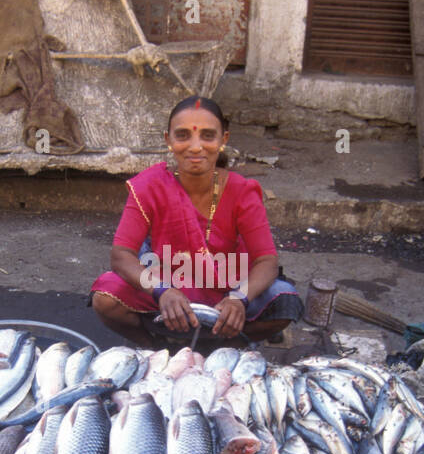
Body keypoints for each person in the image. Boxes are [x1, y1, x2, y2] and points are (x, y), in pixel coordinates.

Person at [90, 95, 303, 347]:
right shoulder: (149, 187)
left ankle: (223, 347)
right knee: (106, 297)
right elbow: (122, 255)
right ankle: (158, 347)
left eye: (207, 136)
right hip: (167, 276)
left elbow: (266, 260)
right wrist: (161, 290)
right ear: (168, 140)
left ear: (223, 140)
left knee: (284, 301)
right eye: (182, 136)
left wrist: (240, 299)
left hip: (228, 281)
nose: (195, 146)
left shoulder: (241, 191)